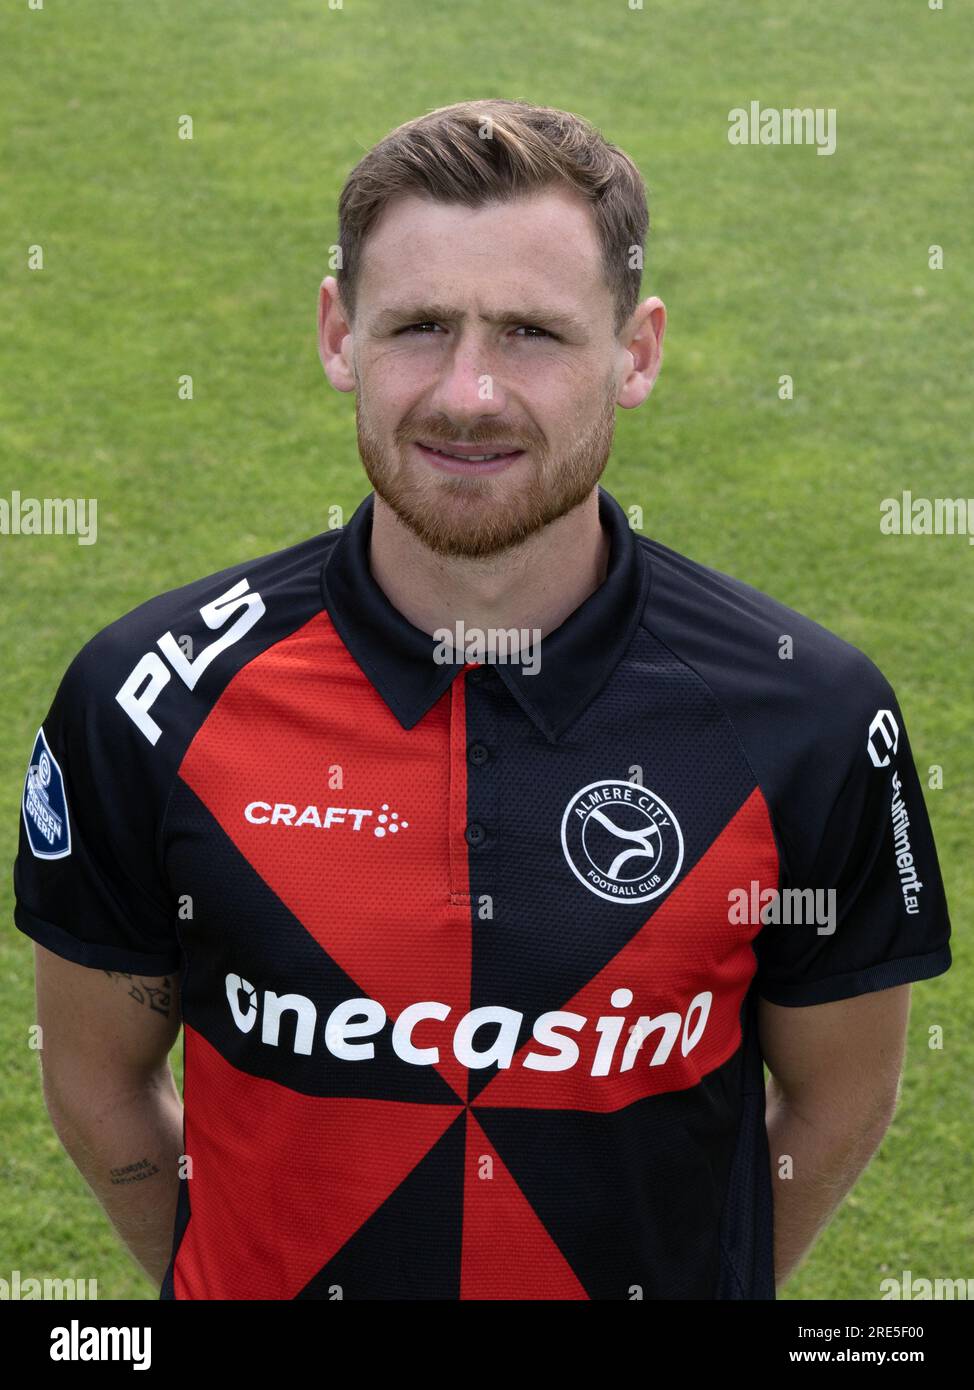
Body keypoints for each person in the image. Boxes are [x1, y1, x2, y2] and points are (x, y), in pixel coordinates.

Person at [14, 99, 952, 1300]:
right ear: (336, 334)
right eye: (417, 327)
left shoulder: (809, 717)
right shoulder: (143, 703)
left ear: (637, 352)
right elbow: (98, 1087)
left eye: (530, 334)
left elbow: (838, 1099)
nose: (467, 394)